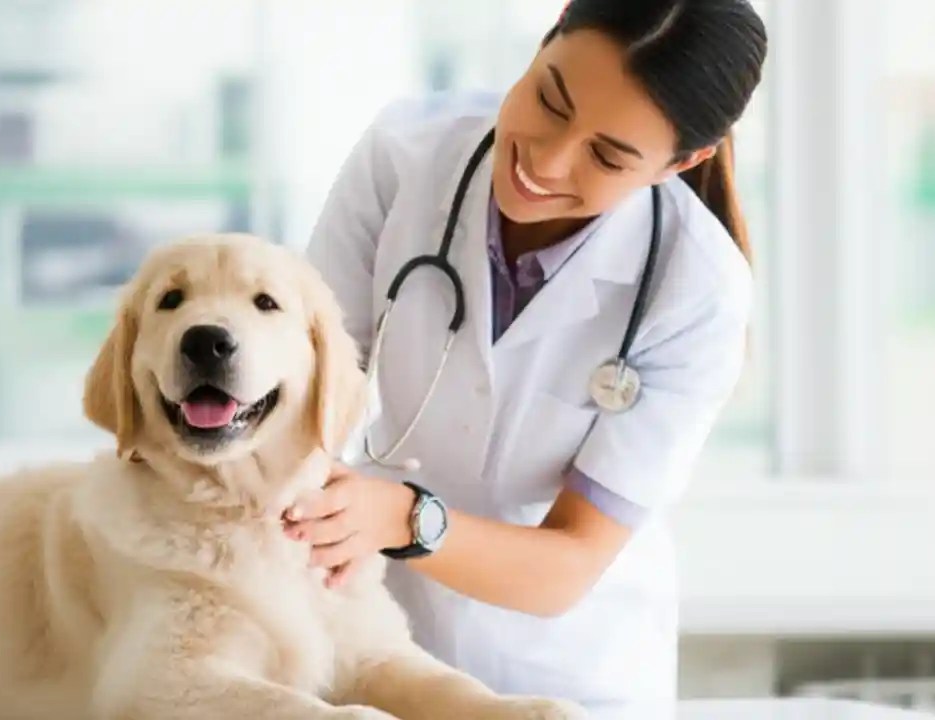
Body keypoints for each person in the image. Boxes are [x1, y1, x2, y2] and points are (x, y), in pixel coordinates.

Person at [288, 1, 767, 716]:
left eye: (608, 155)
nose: (546, 160)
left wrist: (402, 518)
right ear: (546, 41)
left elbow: (567, 566)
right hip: (376, 643)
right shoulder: (404, 155)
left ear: (683, 161)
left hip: (570, 668)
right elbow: (304, 393)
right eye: (549, 98)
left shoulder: (697, 290)